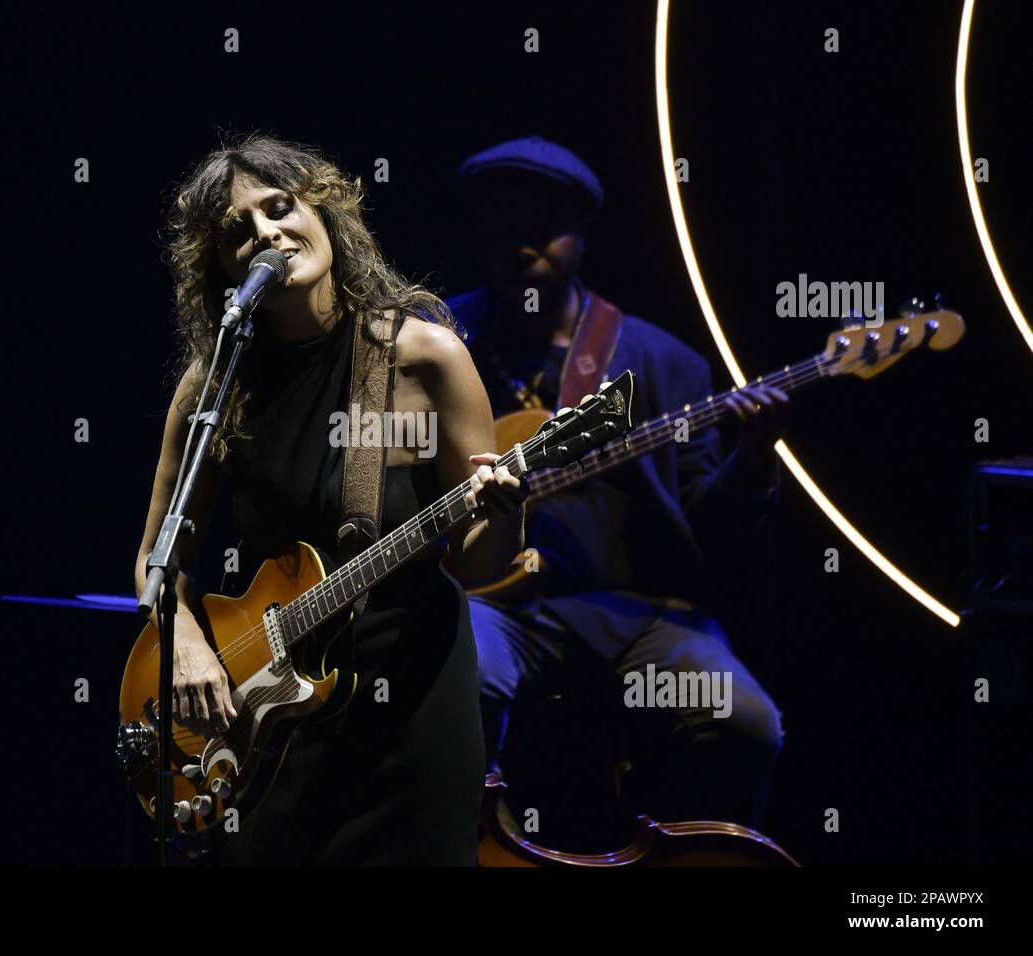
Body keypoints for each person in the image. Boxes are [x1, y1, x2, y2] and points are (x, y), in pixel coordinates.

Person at [134, 133, 526, 865]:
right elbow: (159, 560)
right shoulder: (214, 386)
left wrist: (507, 511)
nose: (266, 233)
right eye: (238, 232)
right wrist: (184, 644)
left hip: (409, 696)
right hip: (266, 708)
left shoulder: (420, 356)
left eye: (280, 208)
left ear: (326, 211)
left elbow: (478, 566)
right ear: (222, 267)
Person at [448, 136, 786, 829]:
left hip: (638, 614)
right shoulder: (440, 341)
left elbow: (709, 528)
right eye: (504, 232)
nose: (523, 250)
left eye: (543, 232)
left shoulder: (665, 362)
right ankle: (472, 848)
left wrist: (752, 462)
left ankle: (674, 855)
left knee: (746, 718)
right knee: (463, 676)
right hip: (496, 609)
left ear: (581, 237)